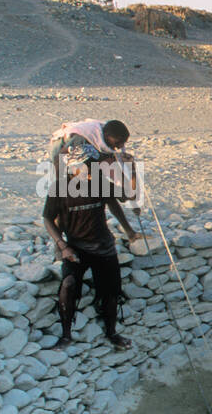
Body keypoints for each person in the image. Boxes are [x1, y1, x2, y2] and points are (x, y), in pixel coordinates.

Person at [42, 119, 140, 349]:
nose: (88, 173)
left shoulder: (99, 183)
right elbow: (47, 218)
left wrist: (132, 168)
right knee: (68, 285)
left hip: (103, 246)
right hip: (76, 247)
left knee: (111, 292)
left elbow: (128, 195)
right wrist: (62, 245)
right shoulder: (60, 188)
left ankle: (112, 333)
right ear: (73, 166)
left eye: (91, 168)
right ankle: (66, 335)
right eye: (84, 168)